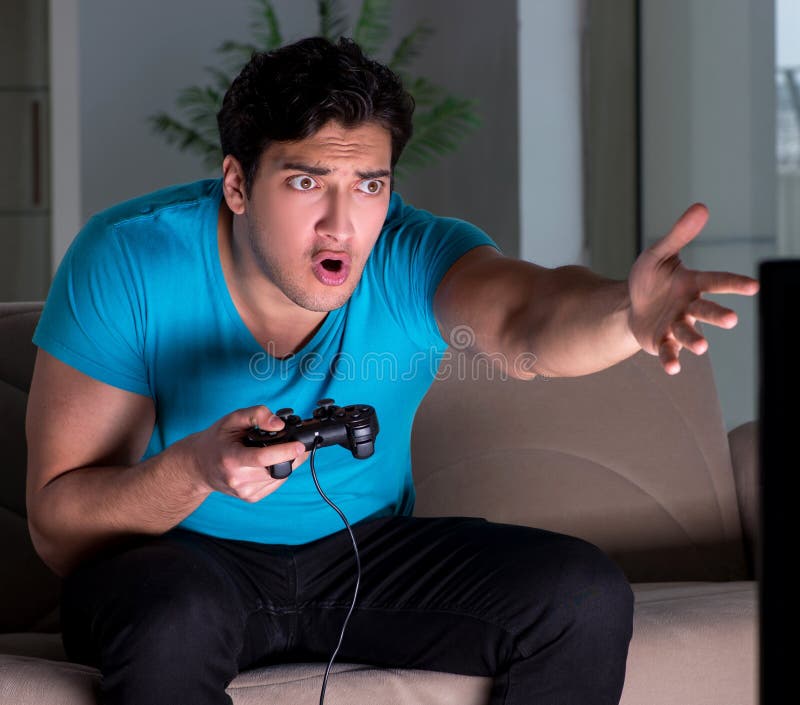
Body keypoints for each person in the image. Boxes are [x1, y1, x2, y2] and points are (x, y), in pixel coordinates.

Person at [25, 37, 758, 705]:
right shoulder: (128, 259)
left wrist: (622, 315)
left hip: (359, 556)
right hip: (178, 561)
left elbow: (528, 318)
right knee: (174, 621)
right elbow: (59, 527)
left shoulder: (412, 252)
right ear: (238, 184)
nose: (342, 224)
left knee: (581, 594)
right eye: (307, 183)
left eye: (369, 185)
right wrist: (195, 470)